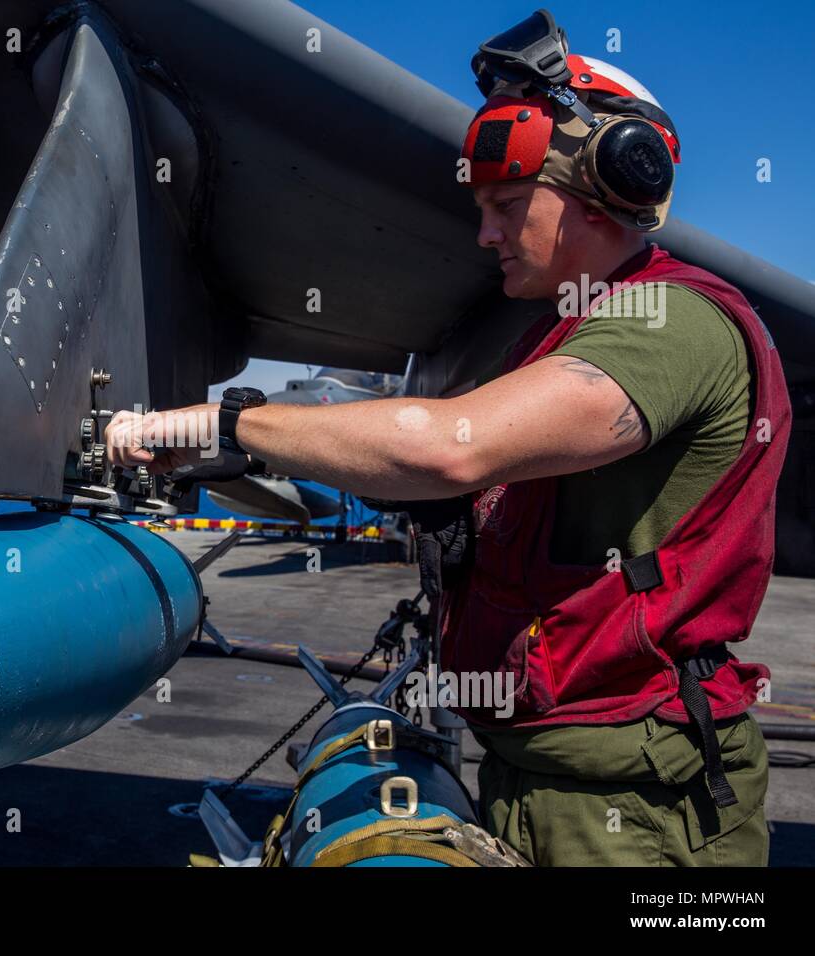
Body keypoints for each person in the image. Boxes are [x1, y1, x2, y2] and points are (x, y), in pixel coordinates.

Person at [105, 14, 790, 866]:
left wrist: (233, 425)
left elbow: (451, 447)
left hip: (634, 805)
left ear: (611, 183)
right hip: (542, 771)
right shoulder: (559, 333)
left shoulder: (671, 320)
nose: (486, 234)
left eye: (508, 206)